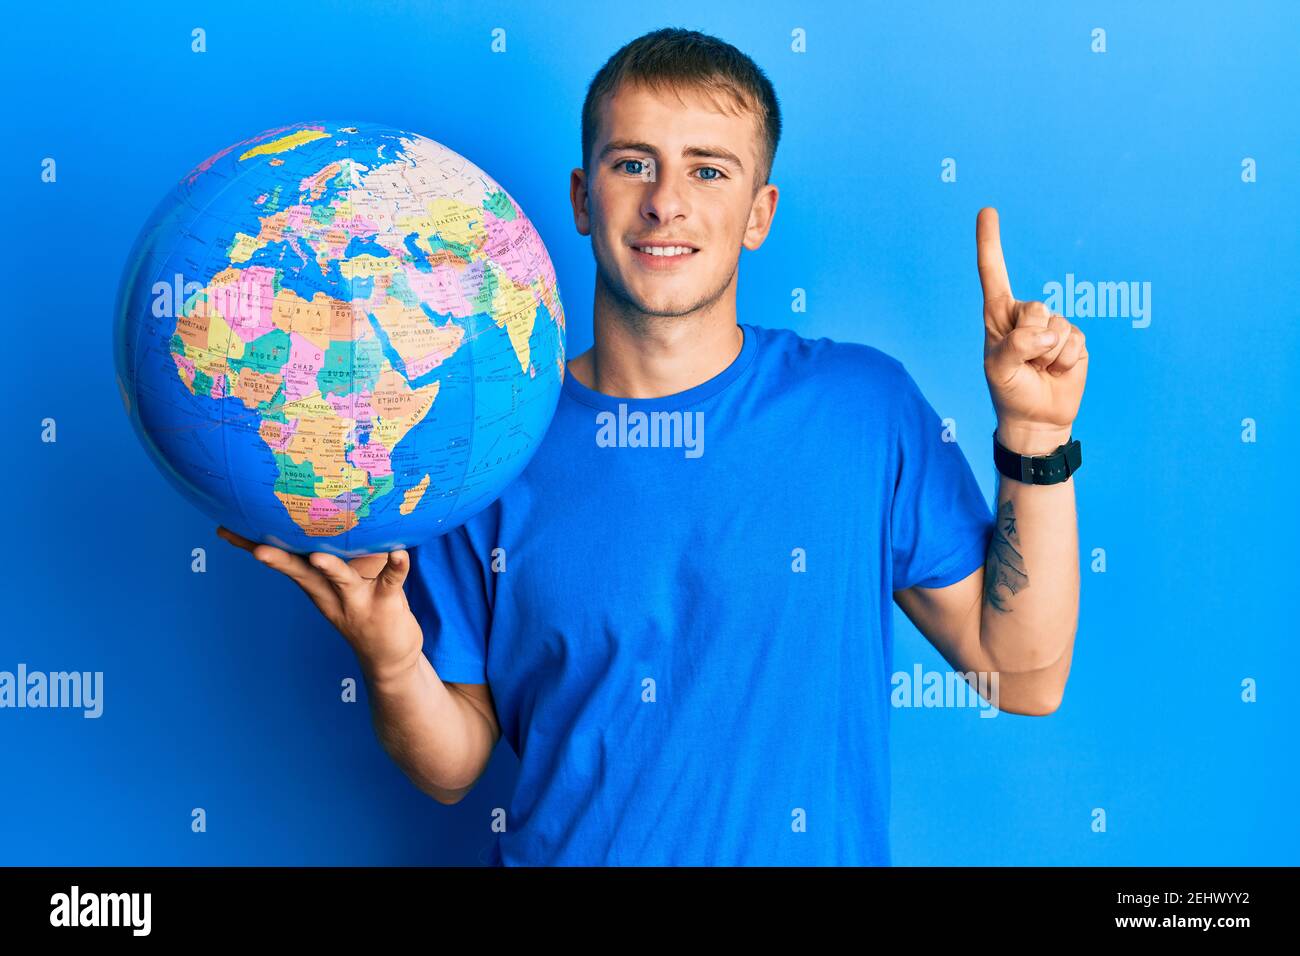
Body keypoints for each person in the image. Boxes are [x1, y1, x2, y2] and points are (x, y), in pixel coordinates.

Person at [220, 27, 1087, 865]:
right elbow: (452, 767)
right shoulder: (484, 439)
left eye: (708, 169)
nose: (665, 201)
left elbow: (1023, 677)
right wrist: (389, 658)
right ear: (582, 198)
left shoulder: (862, 409)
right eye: (633, 163)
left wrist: (1036, 436)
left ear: (758, 213)